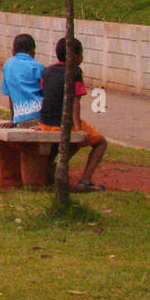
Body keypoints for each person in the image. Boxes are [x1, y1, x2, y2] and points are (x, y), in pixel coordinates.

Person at [39, 37, 107, 191]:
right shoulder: (74, 71)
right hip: (63, 124)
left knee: (74, 142)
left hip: (45, 123)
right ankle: (85, 181)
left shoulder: (47, 71)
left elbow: (46, 95)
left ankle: (50, 169)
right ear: (76, 57)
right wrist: (78, 127)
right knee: (100, 142)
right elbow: (75, 102)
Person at [0, 33, 46, 125]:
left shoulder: (8, 65)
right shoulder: (37, 67)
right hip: (40, 116)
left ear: (13, 51)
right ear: (33, 51)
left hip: (20, 119)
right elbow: (47, 93)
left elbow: (10, 95)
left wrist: (13, 120)